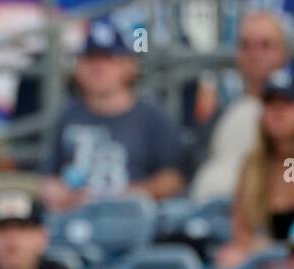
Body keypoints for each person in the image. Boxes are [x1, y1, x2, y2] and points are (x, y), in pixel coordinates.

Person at [40, 20, 185, 212]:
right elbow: (50, 174)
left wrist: (124, 195)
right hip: (73, 220)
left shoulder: (152, 117)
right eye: (90, 59)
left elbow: (174, 179)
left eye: (108, 59)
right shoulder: (67, 115)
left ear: (129, 66)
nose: (98, 68)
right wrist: (54, 190)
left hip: (132, 223)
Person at [217, 71, 294, 269]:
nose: (279, 112)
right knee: (229, 259)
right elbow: (241, 234)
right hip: (276, 266)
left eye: (288, 103)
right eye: (271, 104)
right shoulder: (252, 167)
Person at [191, 9, 292, 203]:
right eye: (245, 46)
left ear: (284, 53)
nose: (255, 54)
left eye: (265, 45)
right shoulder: (219, 115)